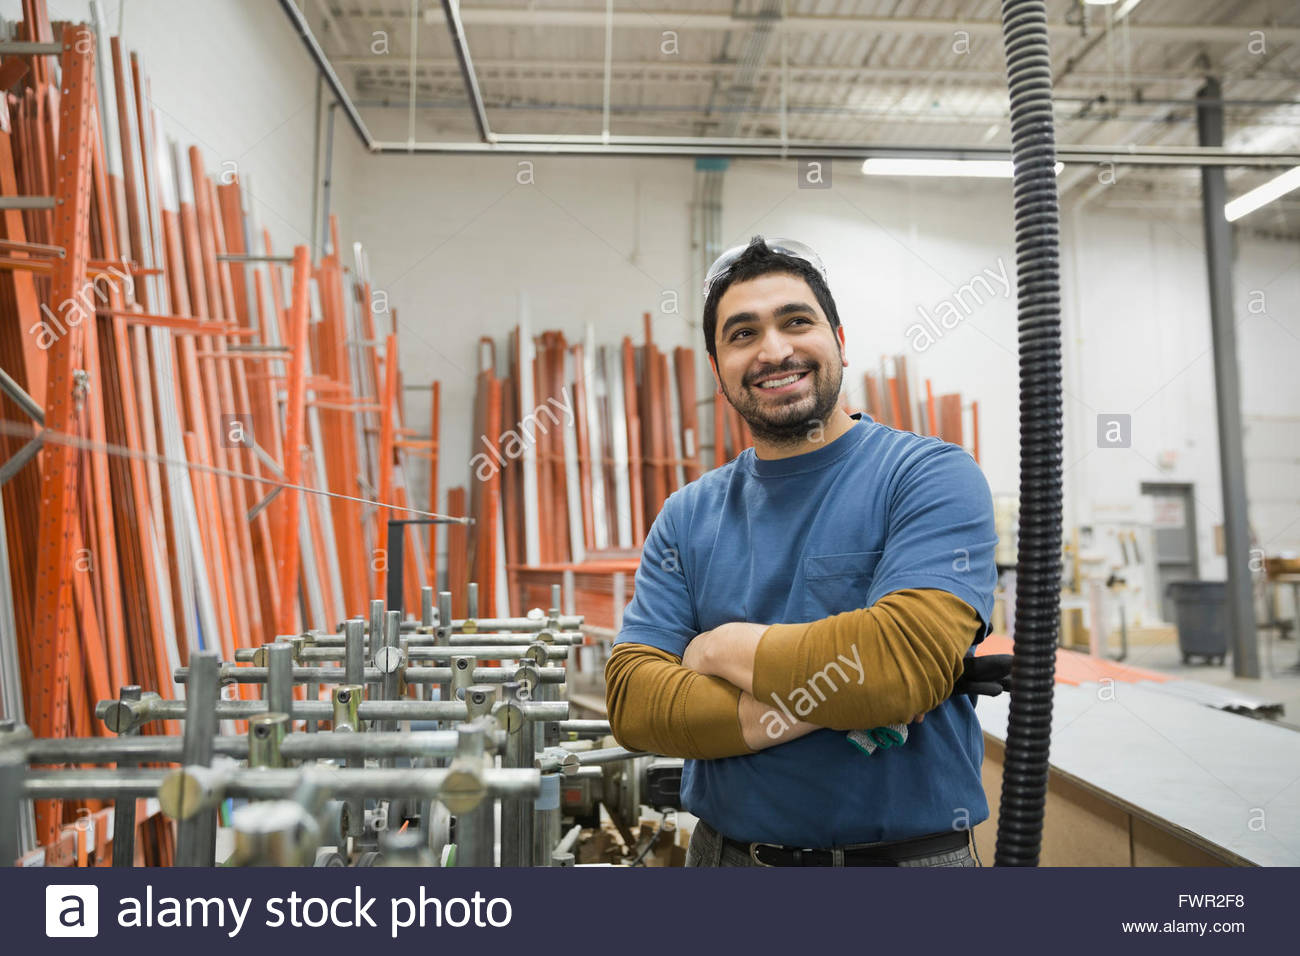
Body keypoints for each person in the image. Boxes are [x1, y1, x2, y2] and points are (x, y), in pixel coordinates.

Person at [604, 236, 1005, 867]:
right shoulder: (689, 516)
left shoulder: (928, 477)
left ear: (839, 341)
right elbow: (635, 702)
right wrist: (835, 701)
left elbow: (894, 668)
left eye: (796, 321)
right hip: (728, 863)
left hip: (907, 865)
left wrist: (718, 648)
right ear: (718, 369)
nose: (774, 350)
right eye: (742, 334)